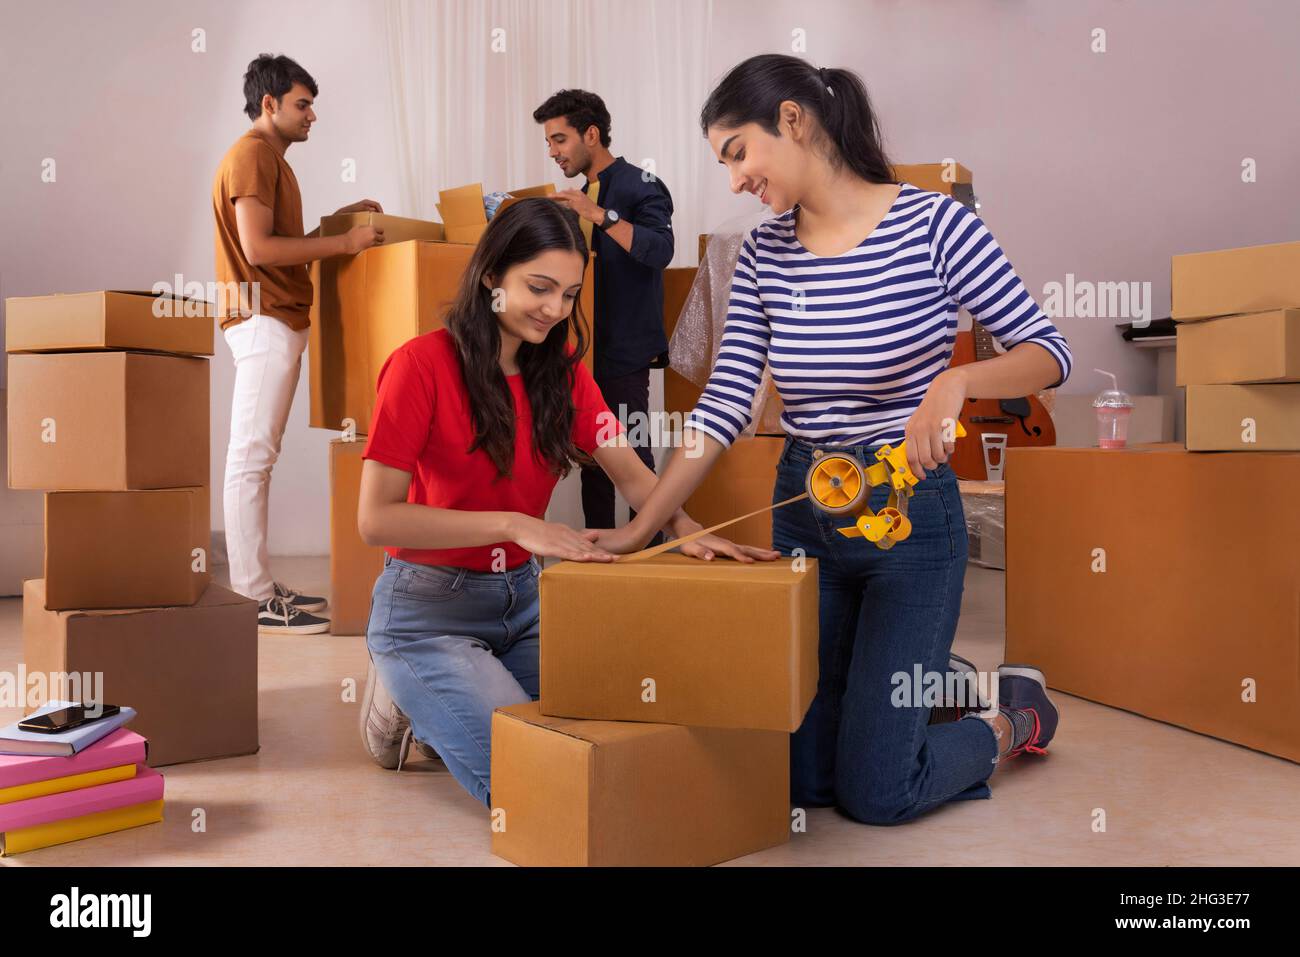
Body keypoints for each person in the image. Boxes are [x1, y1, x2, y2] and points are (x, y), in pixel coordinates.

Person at [591, 54, 1074, 825]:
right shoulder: (761, 255)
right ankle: (924, 677)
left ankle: (1013, 717)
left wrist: (954, 383)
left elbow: (1050, 353)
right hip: (807, 520)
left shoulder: (936, 225)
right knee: (802, 779)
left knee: (877, 792)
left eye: (737, 152)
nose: (734, 180)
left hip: (909, 524)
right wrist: (642, 531)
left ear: (792, 119)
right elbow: (720, 407)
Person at [354, 198, 772, 794]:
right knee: (543, 785)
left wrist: (686, 529)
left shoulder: (564, 372)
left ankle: (440, 701)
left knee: (622, 735)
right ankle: (401, 688)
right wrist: (513, 525)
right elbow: (376, 519)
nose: (555, 309)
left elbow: (630, 474)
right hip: (428, 612)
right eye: (539, 287)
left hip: (525, 602)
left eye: (570, 295)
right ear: (492, 275)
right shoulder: (420, 366)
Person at [213, 53, 386, 635]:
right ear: (270, 104)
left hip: (277, 318)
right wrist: (345, 245)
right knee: (251, 458)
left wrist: (340, 222)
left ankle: (258, 588)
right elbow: (259, 250)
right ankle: (253, 596)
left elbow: (284, 242)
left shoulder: (274, 163)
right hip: (262, 319)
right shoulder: (254, 155)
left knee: (257, 458)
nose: (312, 115)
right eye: (302, 104)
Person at [532, 90, 673, 536]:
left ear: (591, 134)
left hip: (626, 348)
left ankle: (645, 551)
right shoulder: (571, 198)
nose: (553, 152)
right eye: (549, 143)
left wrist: (598, 214)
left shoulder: (642, 184)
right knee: (592, 455)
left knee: (632, 450)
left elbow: (661, 251)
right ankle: (597, 551)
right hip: (577, 347)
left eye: (559, 139)